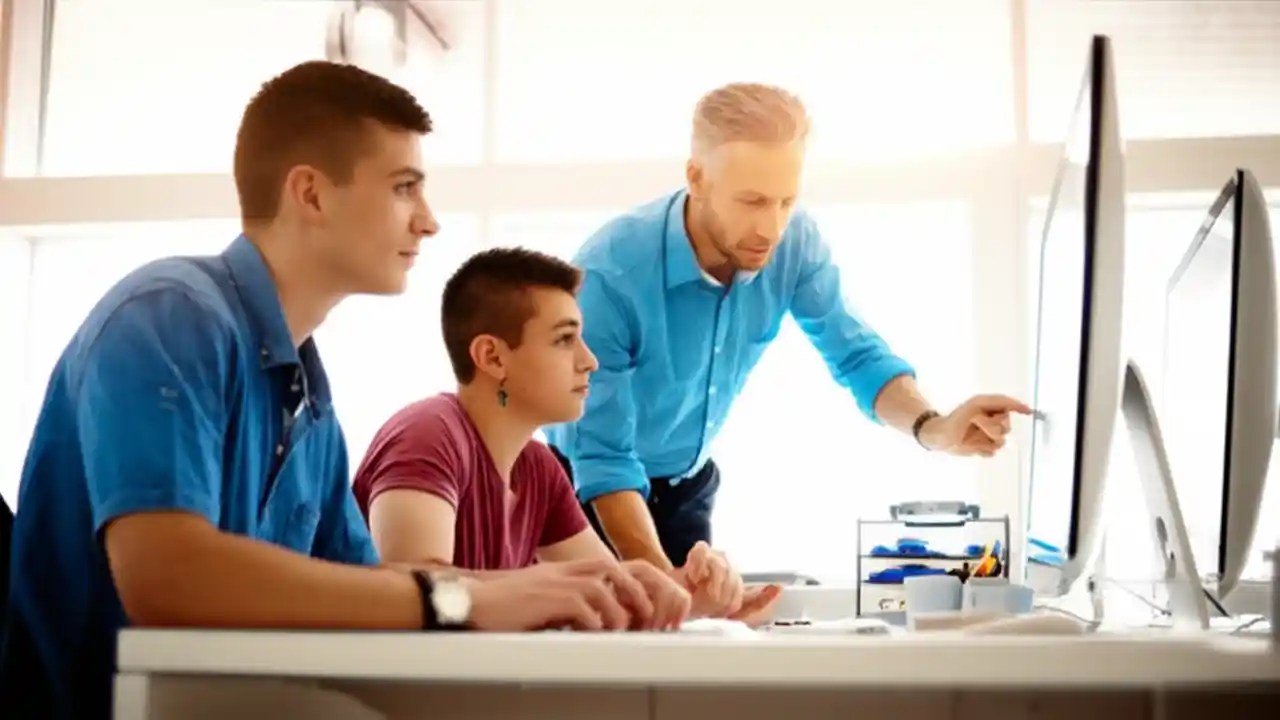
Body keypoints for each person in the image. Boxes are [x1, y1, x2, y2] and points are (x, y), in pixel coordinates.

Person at [0, 61, 649, 719]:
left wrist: (566, 587)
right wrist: (467, 601)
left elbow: (370, 584)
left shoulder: (308, 390)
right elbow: (167, 575)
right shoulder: (168, 316)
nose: (428, 222)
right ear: (310, 193)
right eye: (404, 188)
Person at [544, 82, 1032, 573]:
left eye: (785, 201)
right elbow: (604, 458)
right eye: (752, 201)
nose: (771, 229)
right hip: (587, 492)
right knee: (619, 639)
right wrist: (662, 583)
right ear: (696, 178)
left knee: (692, 640)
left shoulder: (794, 242)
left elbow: (857, 356)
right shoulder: (610, 278)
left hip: (687, 485)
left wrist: (937, 428)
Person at [352, 248, 782, 627]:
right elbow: (419, 599)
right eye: (564, 340)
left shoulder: (539, 468)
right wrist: (534, 587)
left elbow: (614, 596)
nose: (590, 361)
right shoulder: (428, 435)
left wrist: (689, 595)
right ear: (492, 357)